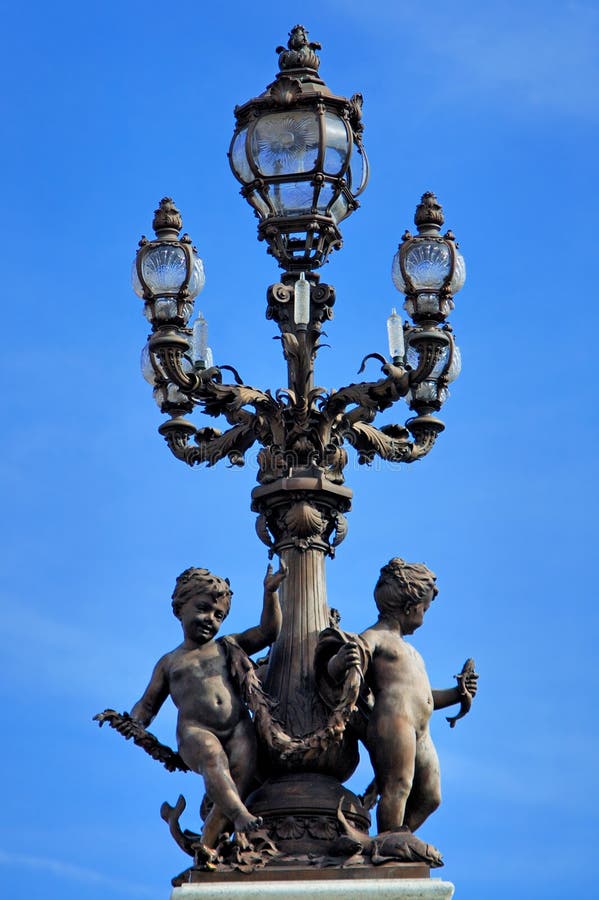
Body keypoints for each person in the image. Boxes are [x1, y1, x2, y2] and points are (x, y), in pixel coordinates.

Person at [129, 562, 286, 849]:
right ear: (180, 607)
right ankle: (239, 815)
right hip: (195, 732)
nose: (210, 619)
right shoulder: (170, 662)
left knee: (237, 781)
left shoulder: (227, 644)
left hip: (239, 726)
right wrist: (135, 722)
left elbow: (268, 631)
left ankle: (207, 846)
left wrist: (270, 592)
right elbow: (147, 704)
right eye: (203, 608)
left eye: (219, 615)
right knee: (214, 759)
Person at [325, 557, 478, 833]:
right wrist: (339, 661)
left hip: (421, 728)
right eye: (425, 609)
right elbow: (350, 658)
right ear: (410, 608)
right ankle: (388, 839)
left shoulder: (411, 652)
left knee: (431, 797)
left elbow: (423, 696)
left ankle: (399, 835)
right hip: (393, 722)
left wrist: (457, 693)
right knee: (397, 785)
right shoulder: (377, 636)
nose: (424, 615)